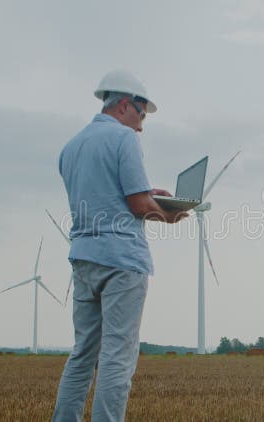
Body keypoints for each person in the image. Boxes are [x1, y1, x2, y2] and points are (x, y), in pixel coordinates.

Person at [52, 70, 187, 422]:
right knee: (117, 358)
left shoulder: (71, 147)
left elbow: (105, 194)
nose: (141, 125)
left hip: (83, 259)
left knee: (83, 354)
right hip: (121, 262)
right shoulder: (124, 140)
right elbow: (139, 207)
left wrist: (147, 192)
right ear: (126, 105)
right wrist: (169, 215)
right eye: (142, 115)